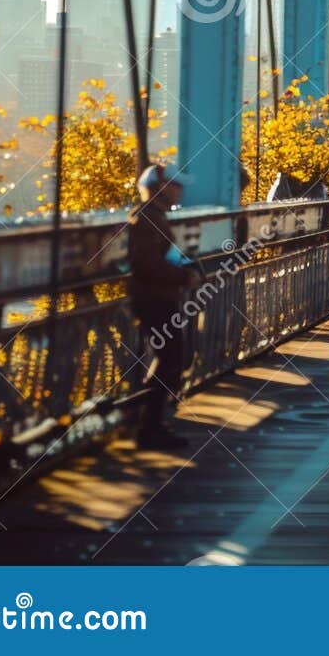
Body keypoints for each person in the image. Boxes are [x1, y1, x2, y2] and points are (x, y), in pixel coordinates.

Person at [127, 164, 203, 450]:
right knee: (171, 358)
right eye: (175, 184)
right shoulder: (147, 219)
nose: (179, 190)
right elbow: (145, 265)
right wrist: (185, 276)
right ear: (159, 187)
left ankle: (152, 422)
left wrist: (184, 270)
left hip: (158, 297)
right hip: (153, 299)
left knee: (171, 357)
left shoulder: (153, 216)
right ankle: (150, 426)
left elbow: (159, 259)